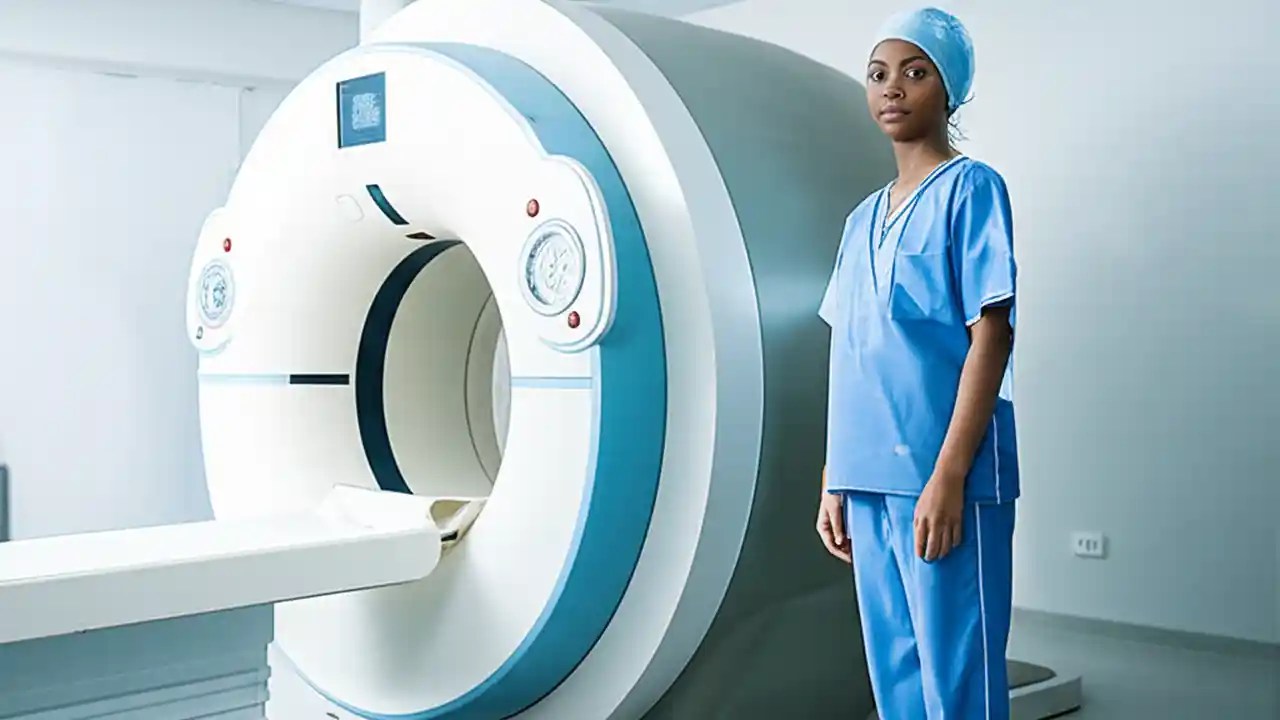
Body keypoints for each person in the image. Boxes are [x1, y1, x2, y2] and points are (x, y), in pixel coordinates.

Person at [814, 7, 1019, 720]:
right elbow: (849, 349)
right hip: (868, 476)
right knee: (895, 674)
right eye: (878, 74)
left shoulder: (973, 190)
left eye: (914, 71)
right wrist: (835, 476)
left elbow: (991, 335)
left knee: (958, 677)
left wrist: (950, 476)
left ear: (948, 91)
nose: (892, 87)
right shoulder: (860, 220)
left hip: (943, 473)